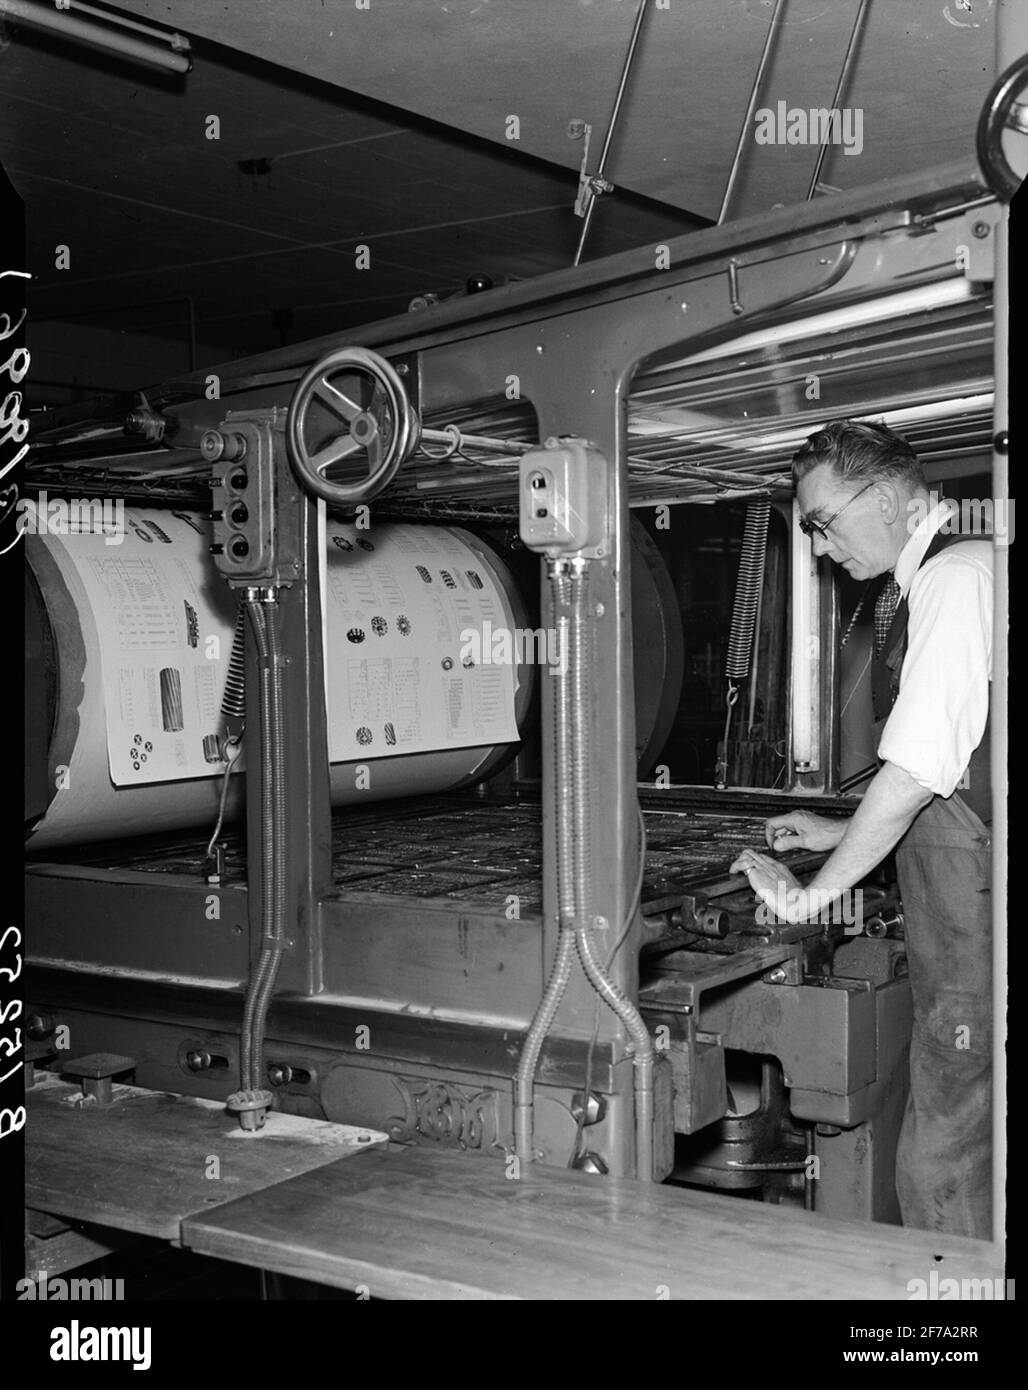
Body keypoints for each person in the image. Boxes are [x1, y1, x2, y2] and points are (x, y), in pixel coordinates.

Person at [730, 419, 993, 1239]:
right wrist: (833, 826)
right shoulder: (957, 575)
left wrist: (817, 894)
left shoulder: (956, 580)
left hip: (981, 939)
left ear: (882, 497)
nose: (816, 547)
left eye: (820, 522)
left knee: (944, 1163)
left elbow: (917, 772)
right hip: (972, 921)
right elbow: (956, 759)